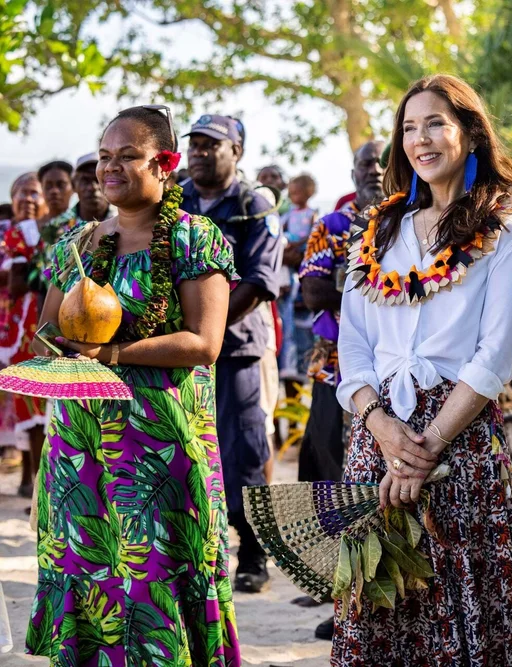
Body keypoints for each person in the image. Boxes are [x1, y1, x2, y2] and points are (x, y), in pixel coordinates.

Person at [333, 74, 512, 665]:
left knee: (463, 599)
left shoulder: (508, 233)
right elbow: (353, 349)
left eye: (435, 124)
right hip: (376, 439)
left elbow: (495, 356)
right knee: (380, 602)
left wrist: (426, 447)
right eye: (408, 128)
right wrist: (381, 427)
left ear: (470, 134)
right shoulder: (378, 234)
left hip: (459, 439)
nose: (419, 140)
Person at [25, 105, 240, 664]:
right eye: (104, 157)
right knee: (88, 573)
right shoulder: (77, 243)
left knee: (155, 576)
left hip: (160, 452)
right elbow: (46, 332)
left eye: (127, 156)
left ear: (165, 164)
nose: (110, 168)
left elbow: (204, 342)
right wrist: (54, 350)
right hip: (80, 452)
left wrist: (112, 353)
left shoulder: (194, 238)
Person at [180, 113, 282, 593]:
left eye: (211, 145)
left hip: (237, 348)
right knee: (183, 449)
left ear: (236, 152)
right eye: (194, 145)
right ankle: (196, 552)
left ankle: (253, 553)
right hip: (179, 351)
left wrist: (206, 330)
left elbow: (259, 282)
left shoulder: (254, 205)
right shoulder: (174, 199)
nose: (199, 153)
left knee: (243, 450)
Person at [291, 139, 385, 637]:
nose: (376, 170)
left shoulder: (412, 219)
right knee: (331, 472)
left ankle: (364, 597)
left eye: (384, 162)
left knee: (379, 485)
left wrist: (349, 281)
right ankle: (336, 587)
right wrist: (379, 286)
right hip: (335, 370)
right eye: (367, 163)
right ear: (352, 173)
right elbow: (311, 291)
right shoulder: (331, 225)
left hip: (395, 375)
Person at [1, 174, 48, 498]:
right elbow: (16, 284)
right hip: (16, 329)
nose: (27, 199)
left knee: (48, 407)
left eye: (34, 193)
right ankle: (32, 480)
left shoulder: (57, 230)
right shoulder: (12, 235)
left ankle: (42, 482)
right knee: (25, 403)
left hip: (45, 326)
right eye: (21, 193)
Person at [277, 173, 318, 388]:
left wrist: (297, 244)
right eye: (291, 193)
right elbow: (281, 232)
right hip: (290, 258)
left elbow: (312, 235)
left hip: (303, 256)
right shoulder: (288, 214)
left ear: (308, 193)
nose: (293, 197)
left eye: (297, 193)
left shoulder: (311, 214)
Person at [37, 161, 74, 227]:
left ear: (73, 187)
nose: (54, 191)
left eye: (61, 185)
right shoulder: (24, 230)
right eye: (48, 186)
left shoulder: (85, 227)